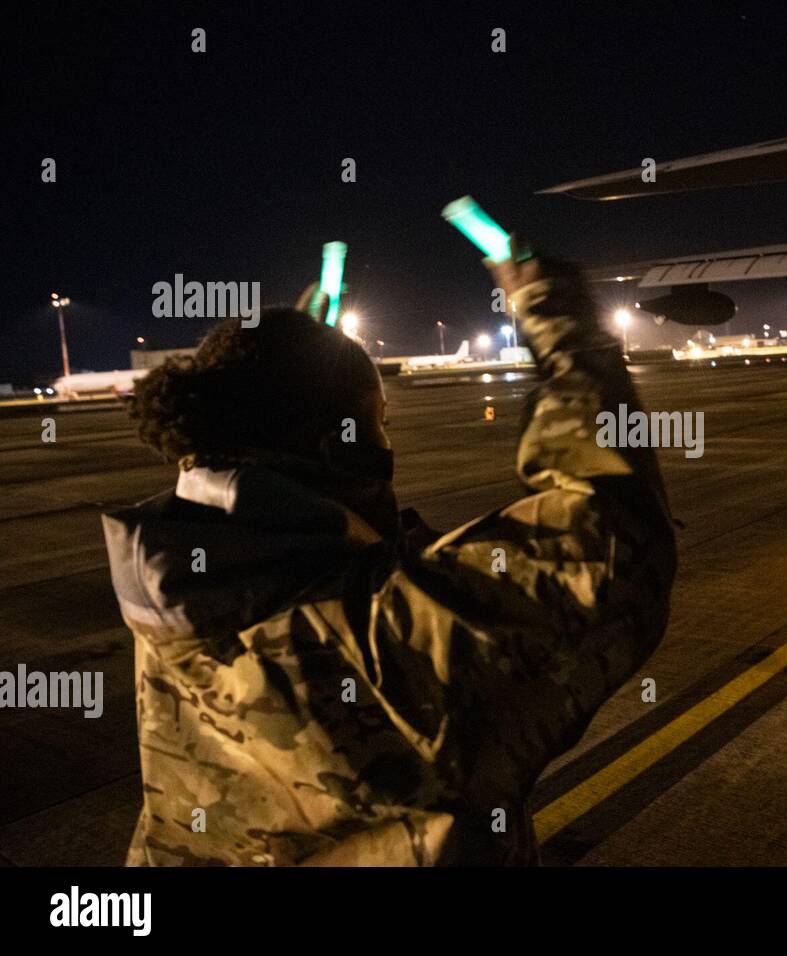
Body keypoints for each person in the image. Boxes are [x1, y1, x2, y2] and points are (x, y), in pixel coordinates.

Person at [102, 246, 677, 865]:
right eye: (378, 423)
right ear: (338, 451)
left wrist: (299, 359)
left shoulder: (181, 590)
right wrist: (567, 336)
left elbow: (313, 524)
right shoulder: (379, 645)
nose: (387, 441)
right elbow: (613, 537)